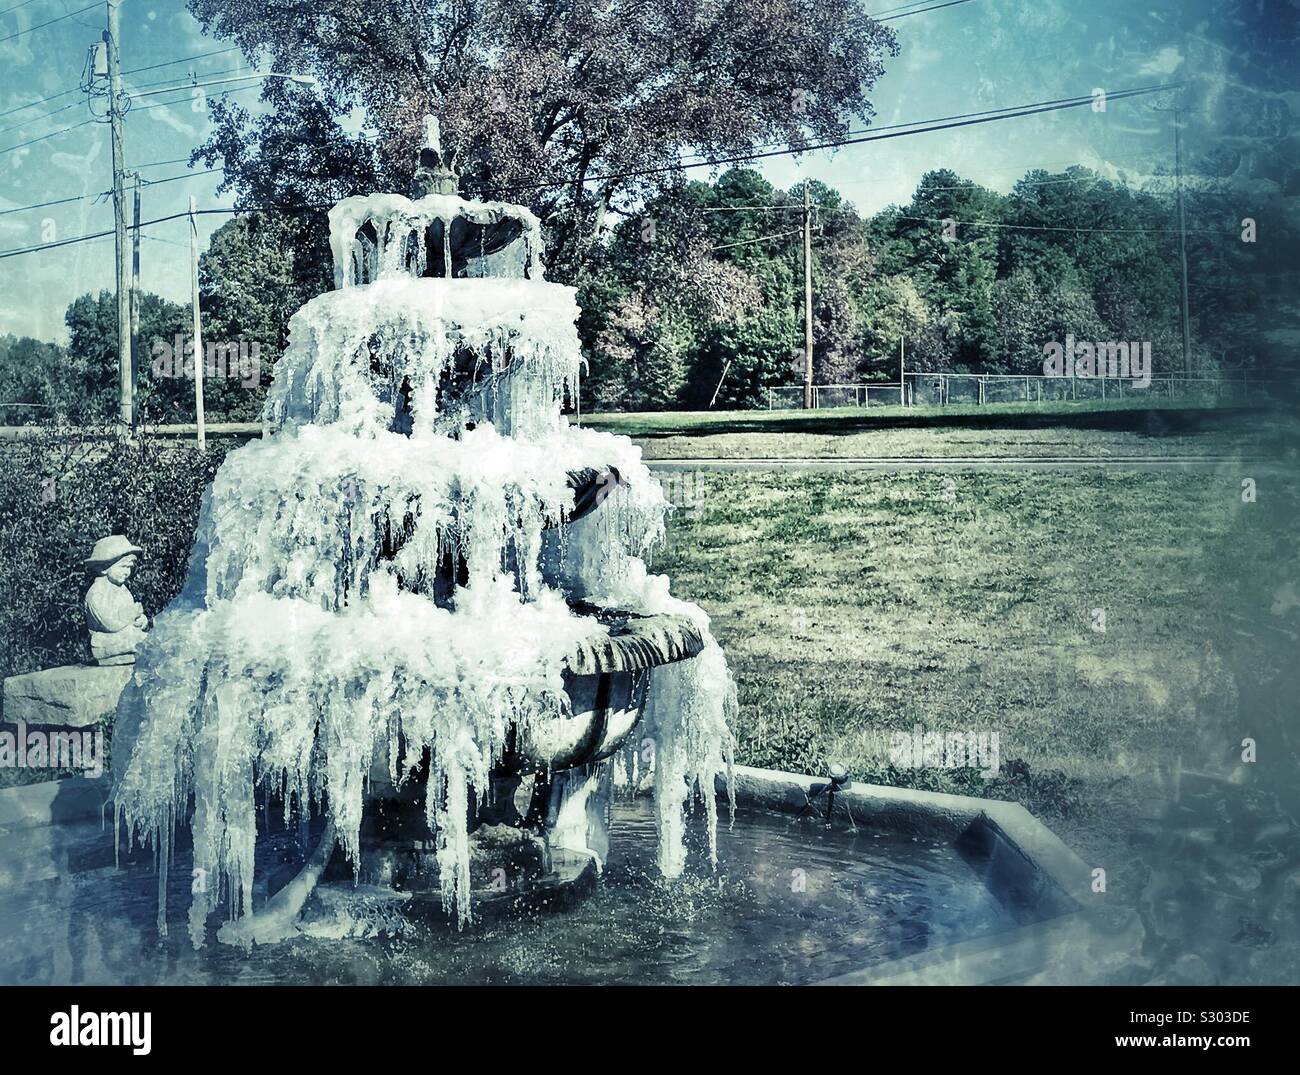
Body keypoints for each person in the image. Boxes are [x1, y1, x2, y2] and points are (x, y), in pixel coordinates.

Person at [83, 535, 148, 666]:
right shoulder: (96, 593)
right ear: (104, 568)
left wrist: (141, 620)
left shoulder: (123, 590)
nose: (127, 572)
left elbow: (131, 615)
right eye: (123, 567)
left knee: (147, 639)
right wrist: (131, 614)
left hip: (127, 633)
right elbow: (109, 624)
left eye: (129, 567)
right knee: (138, 642)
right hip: (106, 640)